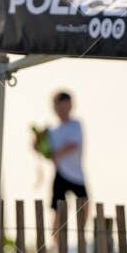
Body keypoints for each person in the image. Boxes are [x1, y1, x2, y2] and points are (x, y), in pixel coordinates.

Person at [36, 90, 85, 219]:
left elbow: (73, 146)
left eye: (64, 105)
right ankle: (57, 239)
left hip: (77, 174)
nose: (61, 109)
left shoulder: (76, 125)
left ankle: (82, 237)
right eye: (58, 106)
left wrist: (55, 154)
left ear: (70, 105)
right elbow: (40, 149)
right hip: (60, 174)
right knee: (58, 210)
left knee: (84, 206)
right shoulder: (52, 131)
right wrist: (37, 139)